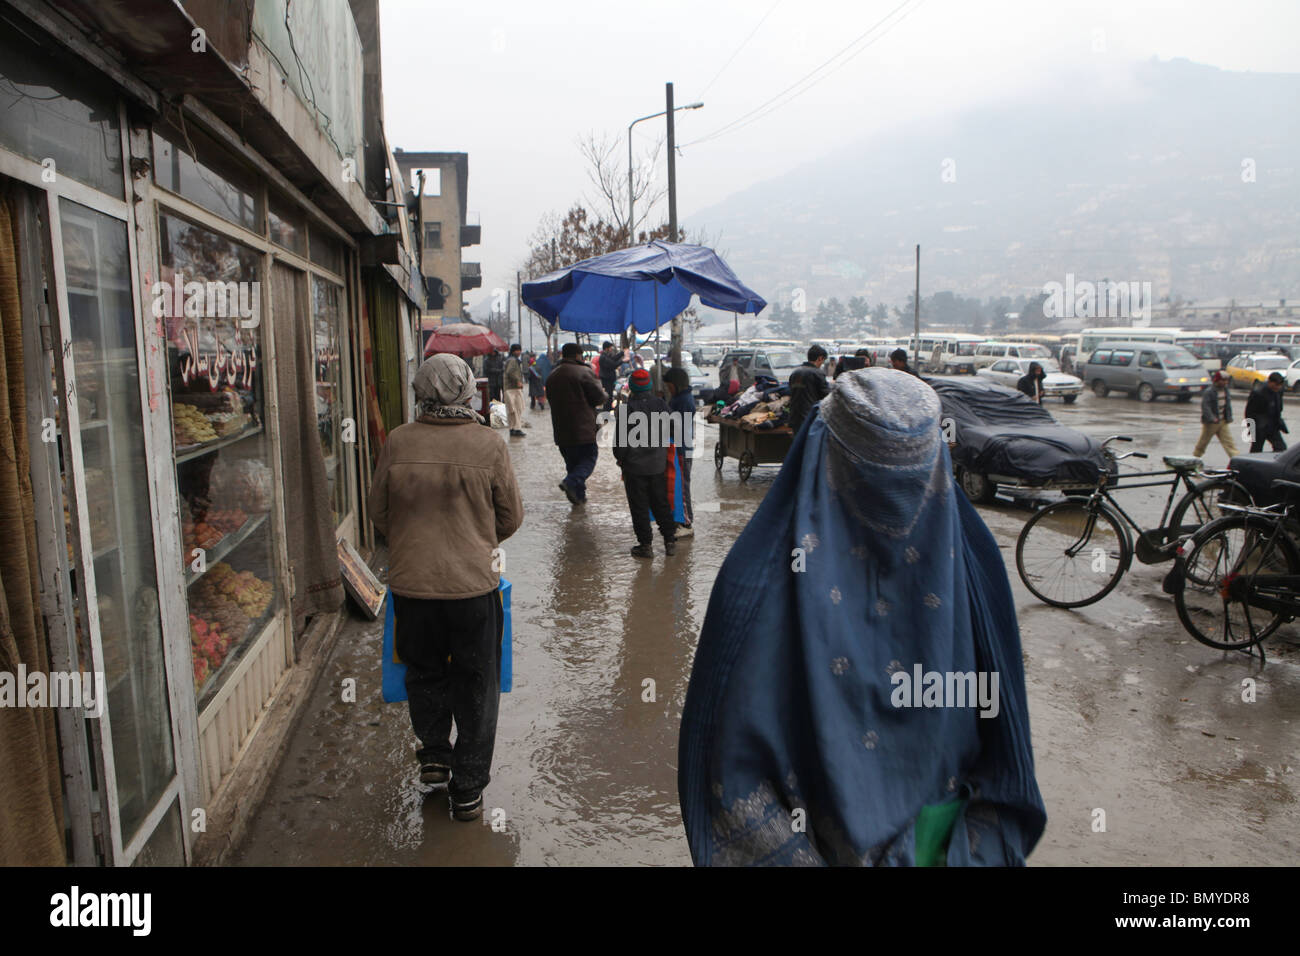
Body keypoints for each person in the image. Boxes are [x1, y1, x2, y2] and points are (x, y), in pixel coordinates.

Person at [678, 367, 1046, 865]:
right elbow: (1006, 771)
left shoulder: (753, 581)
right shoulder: (977, 571)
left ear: (814, 448)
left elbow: (725, 778)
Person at [367, 354, 524, 822]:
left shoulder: (398, 441)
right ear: (465, 392)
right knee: (478, 684)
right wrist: (476, 539)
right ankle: (469, 791)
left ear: (422, 391)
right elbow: (510, 517)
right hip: (472, 588)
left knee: (425, 671)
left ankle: (435, 754)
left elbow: (378, 511)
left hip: (412, 588)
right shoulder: (488, 444)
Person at [614, 368, 676, 557]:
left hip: (634, 467)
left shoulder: (627, 408)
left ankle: (646, 546)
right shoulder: (661, 404)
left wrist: (621, 459)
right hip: (657, 464)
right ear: (649, 385)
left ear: (631, 386)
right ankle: (669, 541)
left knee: (639, 505)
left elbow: (620, 443)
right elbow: (673, 428)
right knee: (661, 502)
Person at [546, 342, 607, 504]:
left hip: (561, 430)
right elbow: (599, 398)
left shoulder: (553, 375)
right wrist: (605, 394)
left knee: (572, 464)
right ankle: (571, 482)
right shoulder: (584, 372)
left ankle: (579, 497)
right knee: (588, 459)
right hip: (584, 428)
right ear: (578, 355)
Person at [664, 367, 696, 537]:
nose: (669, 389)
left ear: (676, 385)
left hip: (682, 448)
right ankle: (680, 519)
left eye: (669, 386)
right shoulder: (679, 398)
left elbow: (677, 427)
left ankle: (686, 522)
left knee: (683, 487)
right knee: (678, 486)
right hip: (680, 447)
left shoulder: (683, 401)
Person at [1194, 371, 1240, 459]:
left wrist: (1228, 417)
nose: (1225, 383)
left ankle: (1236, 459)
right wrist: (1212, 418)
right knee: (1203, 443)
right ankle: (1195, 458)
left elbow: (1227, 405)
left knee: (1229, 443)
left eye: (1226, 381)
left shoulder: (1226, 390)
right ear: (1217, 380)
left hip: (1223, 421)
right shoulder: (1209, 392)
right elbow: (1205, 407)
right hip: (1212, 423)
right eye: (1223, 380)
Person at [788, 345, 831, 433]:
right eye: (822, 361)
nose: (821, 365)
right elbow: (826, 396)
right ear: (820, 358)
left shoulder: (795, 373)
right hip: (809, 419)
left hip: (794, 418)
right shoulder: (817, 373)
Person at [1244, 372, 1288, 453]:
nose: (1278, 387)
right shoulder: (1258, 393)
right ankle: (1253, 464)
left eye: (1280, 385)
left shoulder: (1278, 391)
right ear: (1270, 382)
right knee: (1256, 450)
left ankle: (1274, 464)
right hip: (1260, 426)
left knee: (1281, 448)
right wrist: (1251, 427)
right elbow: (1249, 412)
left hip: (1273, 425)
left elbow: (1279, 407)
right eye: (1276, 385)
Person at [503, 343, 526, 436]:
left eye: (519, 350)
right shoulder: (513, 361)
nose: (519, 352)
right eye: (517, 350)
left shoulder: (510, 360)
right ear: (513, 351)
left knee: (511, 410)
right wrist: (518, 381)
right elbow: (510, 372)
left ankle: (512, 428)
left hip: (509, 388)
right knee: (517, 409)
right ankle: (517, 428)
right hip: (513, 388)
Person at [598, 341, 621, 411]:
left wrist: (621, 353)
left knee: (610, 395)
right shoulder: (603, 357)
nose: (611, 349)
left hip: (608, 379)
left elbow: (613, 359)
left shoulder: (606, 355)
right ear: (606, 348)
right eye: (610, 348)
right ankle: (606, 411)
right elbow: (613, 364)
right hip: (606, 379)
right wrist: (623, 361)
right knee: (608, 395)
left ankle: (608, 408)